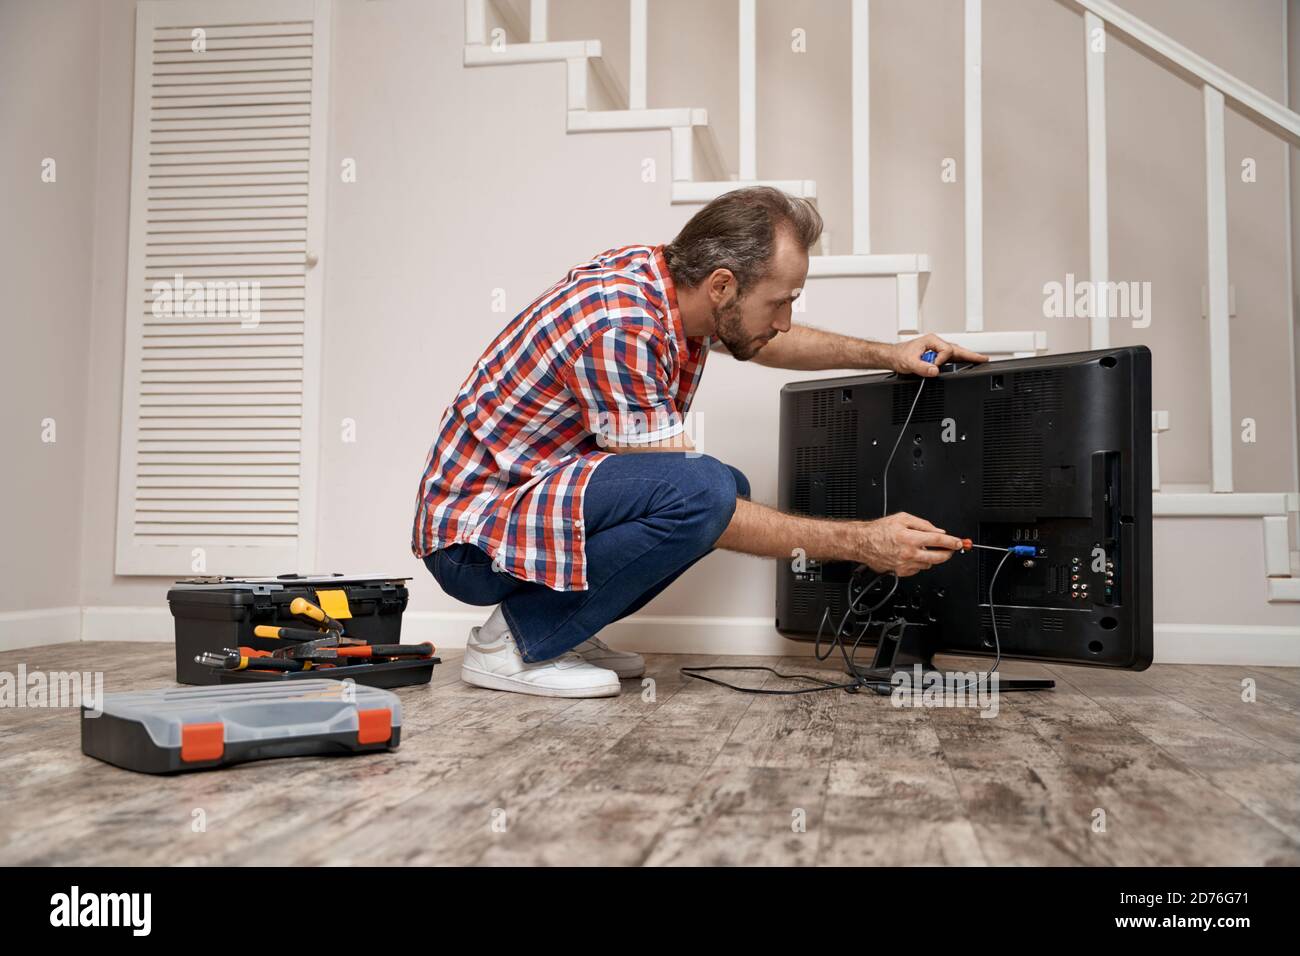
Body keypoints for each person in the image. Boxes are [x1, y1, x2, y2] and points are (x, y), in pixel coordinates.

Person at [412, 187, 987, 698]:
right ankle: (508, 644)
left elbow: (761, 340)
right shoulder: (624, 326)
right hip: (473, 541)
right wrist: (865, 544)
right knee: (708, 494)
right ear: (722, 285)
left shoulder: (670, 284)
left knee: (720, 487)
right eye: (780, 301)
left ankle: (562, 627)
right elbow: (696, 504)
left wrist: (891, 354)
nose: (785, 319)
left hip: (525, 513)